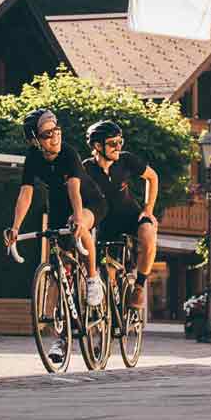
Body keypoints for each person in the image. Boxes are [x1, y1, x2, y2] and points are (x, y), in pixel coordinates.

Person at [5, 108, 107, 313]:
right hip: (59, 205)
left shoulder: (68, 153)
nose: (55, 137)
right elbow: (26, 193)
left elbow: (74, 189)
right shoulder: (33, 157)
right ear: (35, 141)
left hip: (89, 201)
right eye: (47, 134)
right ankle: (59, 317)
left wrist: (78, 217)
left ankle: (93, 278)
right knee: (58, 258)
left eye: (56, 130)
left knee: (78, 224)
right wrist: (15, 228)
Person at [83, 119, 159, 310]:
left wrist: (148, 209)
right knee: (108, 278)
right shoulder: (86, 169)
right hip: (106, 224)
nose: (118, 147)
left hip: (131, 216)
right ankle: (111, 317)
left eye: (120, 142)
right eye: (112, 143)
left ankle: (139, 286)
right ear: (97, 146)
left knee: (149, 234)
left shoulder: (126, 160)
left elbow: (152, 177)